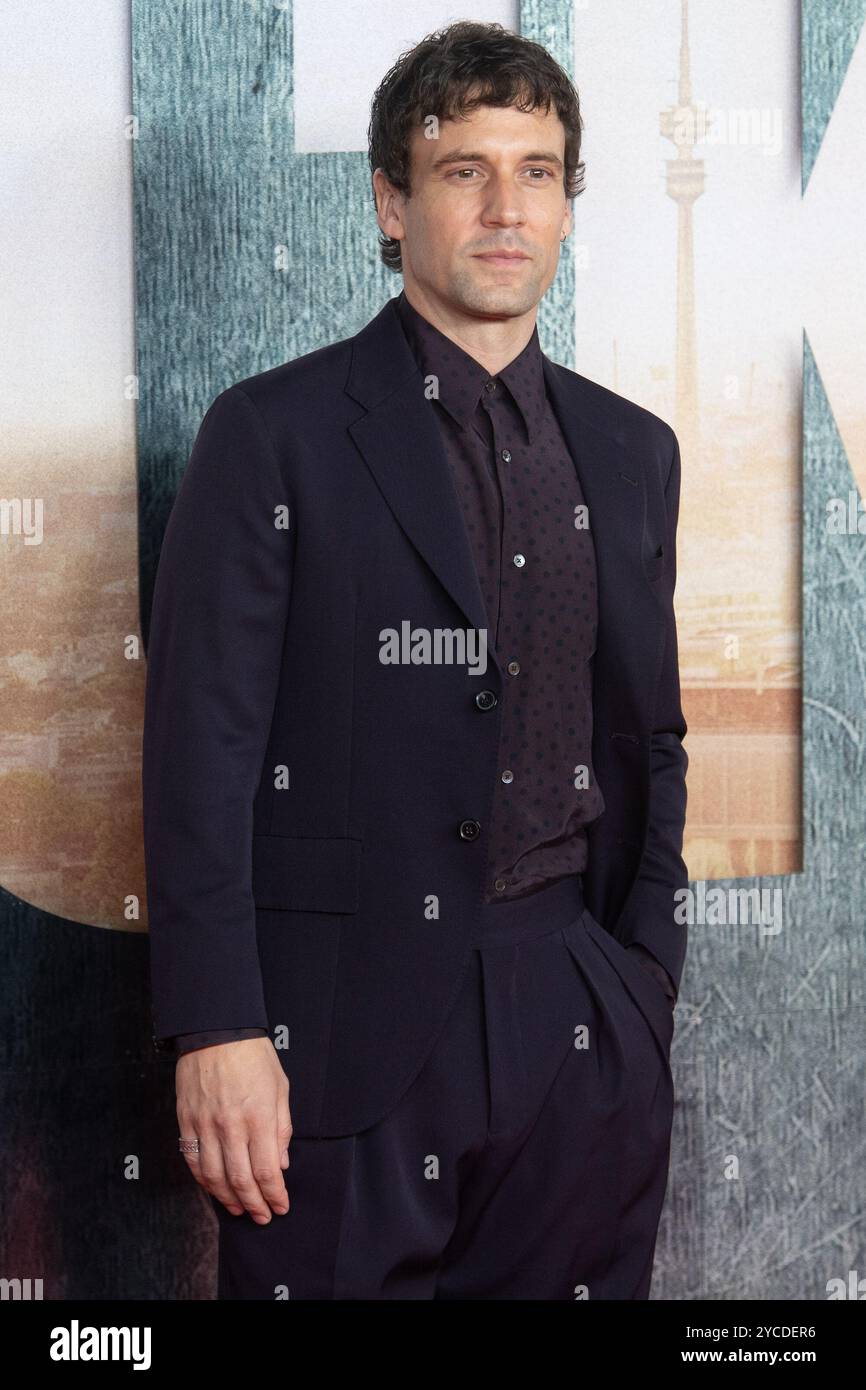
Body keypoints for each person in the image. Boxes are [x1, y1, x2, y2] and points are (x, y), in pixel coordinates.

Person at [142, 19, 689, 1300]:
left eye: (538, 170)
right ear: (390, 203)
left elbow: (647, 739)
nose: (506, 207)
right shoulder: (271, 436)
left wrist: (639, 992)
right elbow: (199, 757)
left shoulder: (631, 452)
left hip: (574, 1016)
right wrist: (218, 1023)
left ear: (566, 202)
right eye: (462, 171)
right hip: (334, 1037)